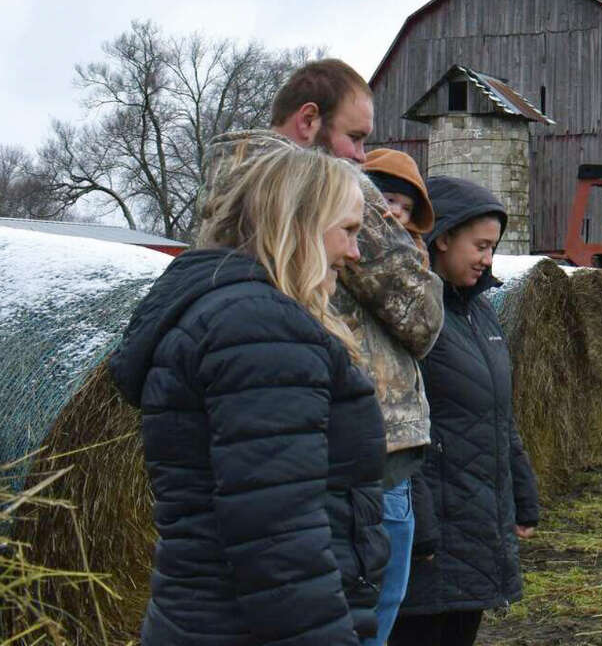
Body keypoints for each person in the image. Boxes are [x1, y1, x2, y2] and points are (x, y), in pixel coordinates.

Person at [200, 60, 444, 646]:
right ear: (309, 121)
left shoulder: (225, 188)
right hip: (365, 452)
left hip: (269, 447)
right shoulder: (333, 186)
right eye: (356, 137)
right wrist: (412, 253)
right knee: (360, 623)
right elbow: (421, 317)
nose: (363, 157)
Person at [109, 148, 387, 644]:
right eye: (347, 230)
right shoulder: (262, 330)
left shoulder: (226, 313)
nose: (355, 253)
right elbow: (280, 536)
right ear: (298, 224)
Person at [390, 177, 540, 646]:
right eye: (480, 246)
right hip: (432, 529)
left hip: (477, 521)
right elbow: (395, 426)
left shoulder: (481, 315)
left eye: (493, 248)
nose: (487, 260)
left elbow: (497, 414)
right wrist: (424, 524)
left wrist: (523, 491)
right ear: (444, 236)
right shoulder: (412, 316)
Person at [357, 147, 437, 644]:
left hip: (398, 455)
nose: (393, 215)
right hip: (366, 450)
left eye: (404, 209)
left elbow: (423, 327)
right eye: (384, 200)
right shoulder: (348, 255)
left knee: (389, 593)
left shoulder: (412, 269)